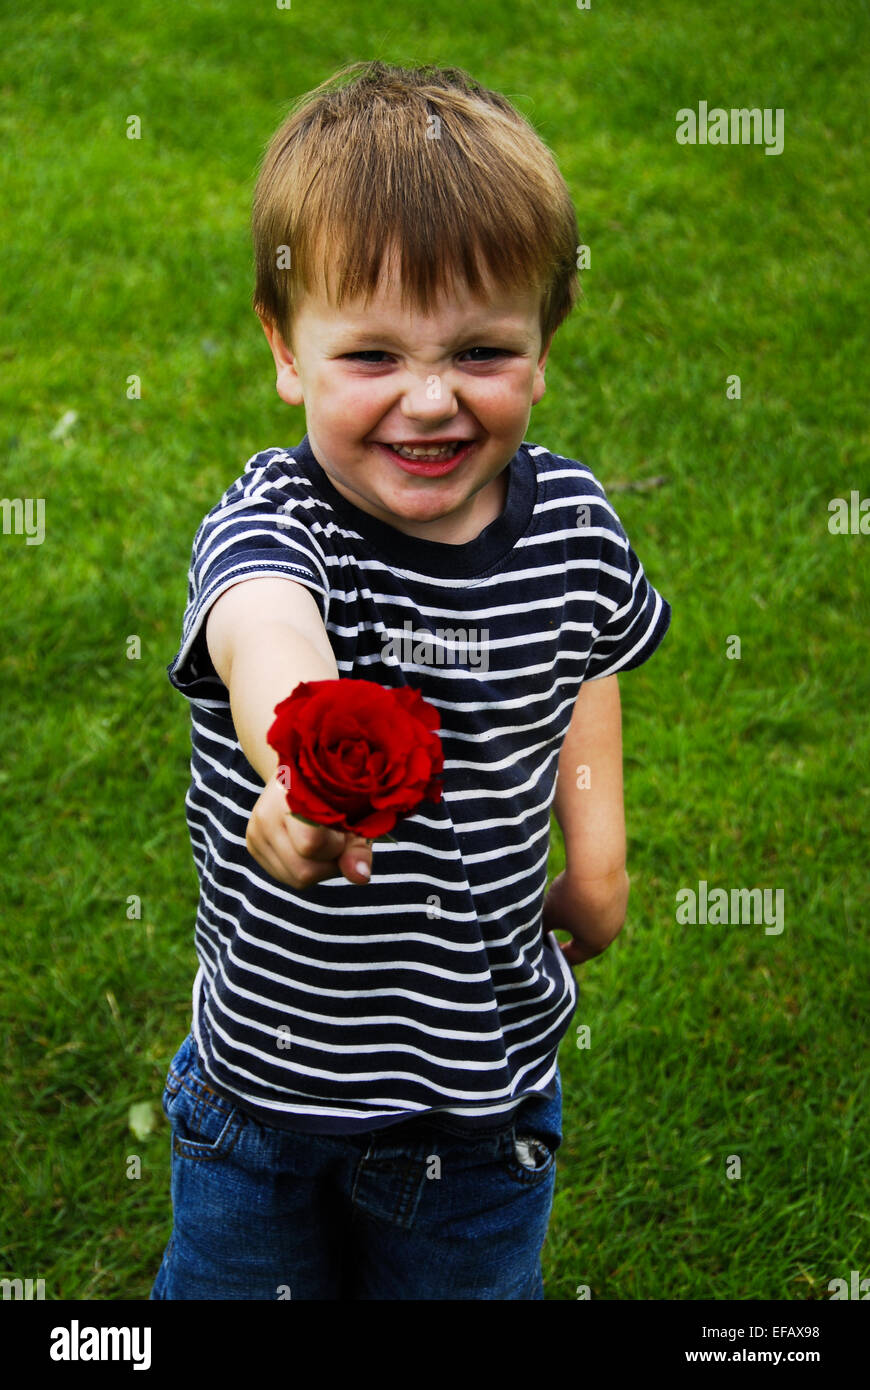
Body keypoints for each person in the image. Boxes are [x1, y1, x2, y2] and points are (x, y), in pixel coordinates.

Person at [151, 60, 671, 1301]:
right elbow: (261, 631)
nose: (430, 401)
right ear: (287, 350)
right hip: (264, 1099)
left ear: (544, 349)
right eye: (372, 353)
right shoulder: (275, 519)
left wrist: (594, 850)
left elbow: (587, 655)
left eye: (483, 350)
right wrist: (304, 767)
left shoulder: (574, 526)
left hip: (480, 1091)